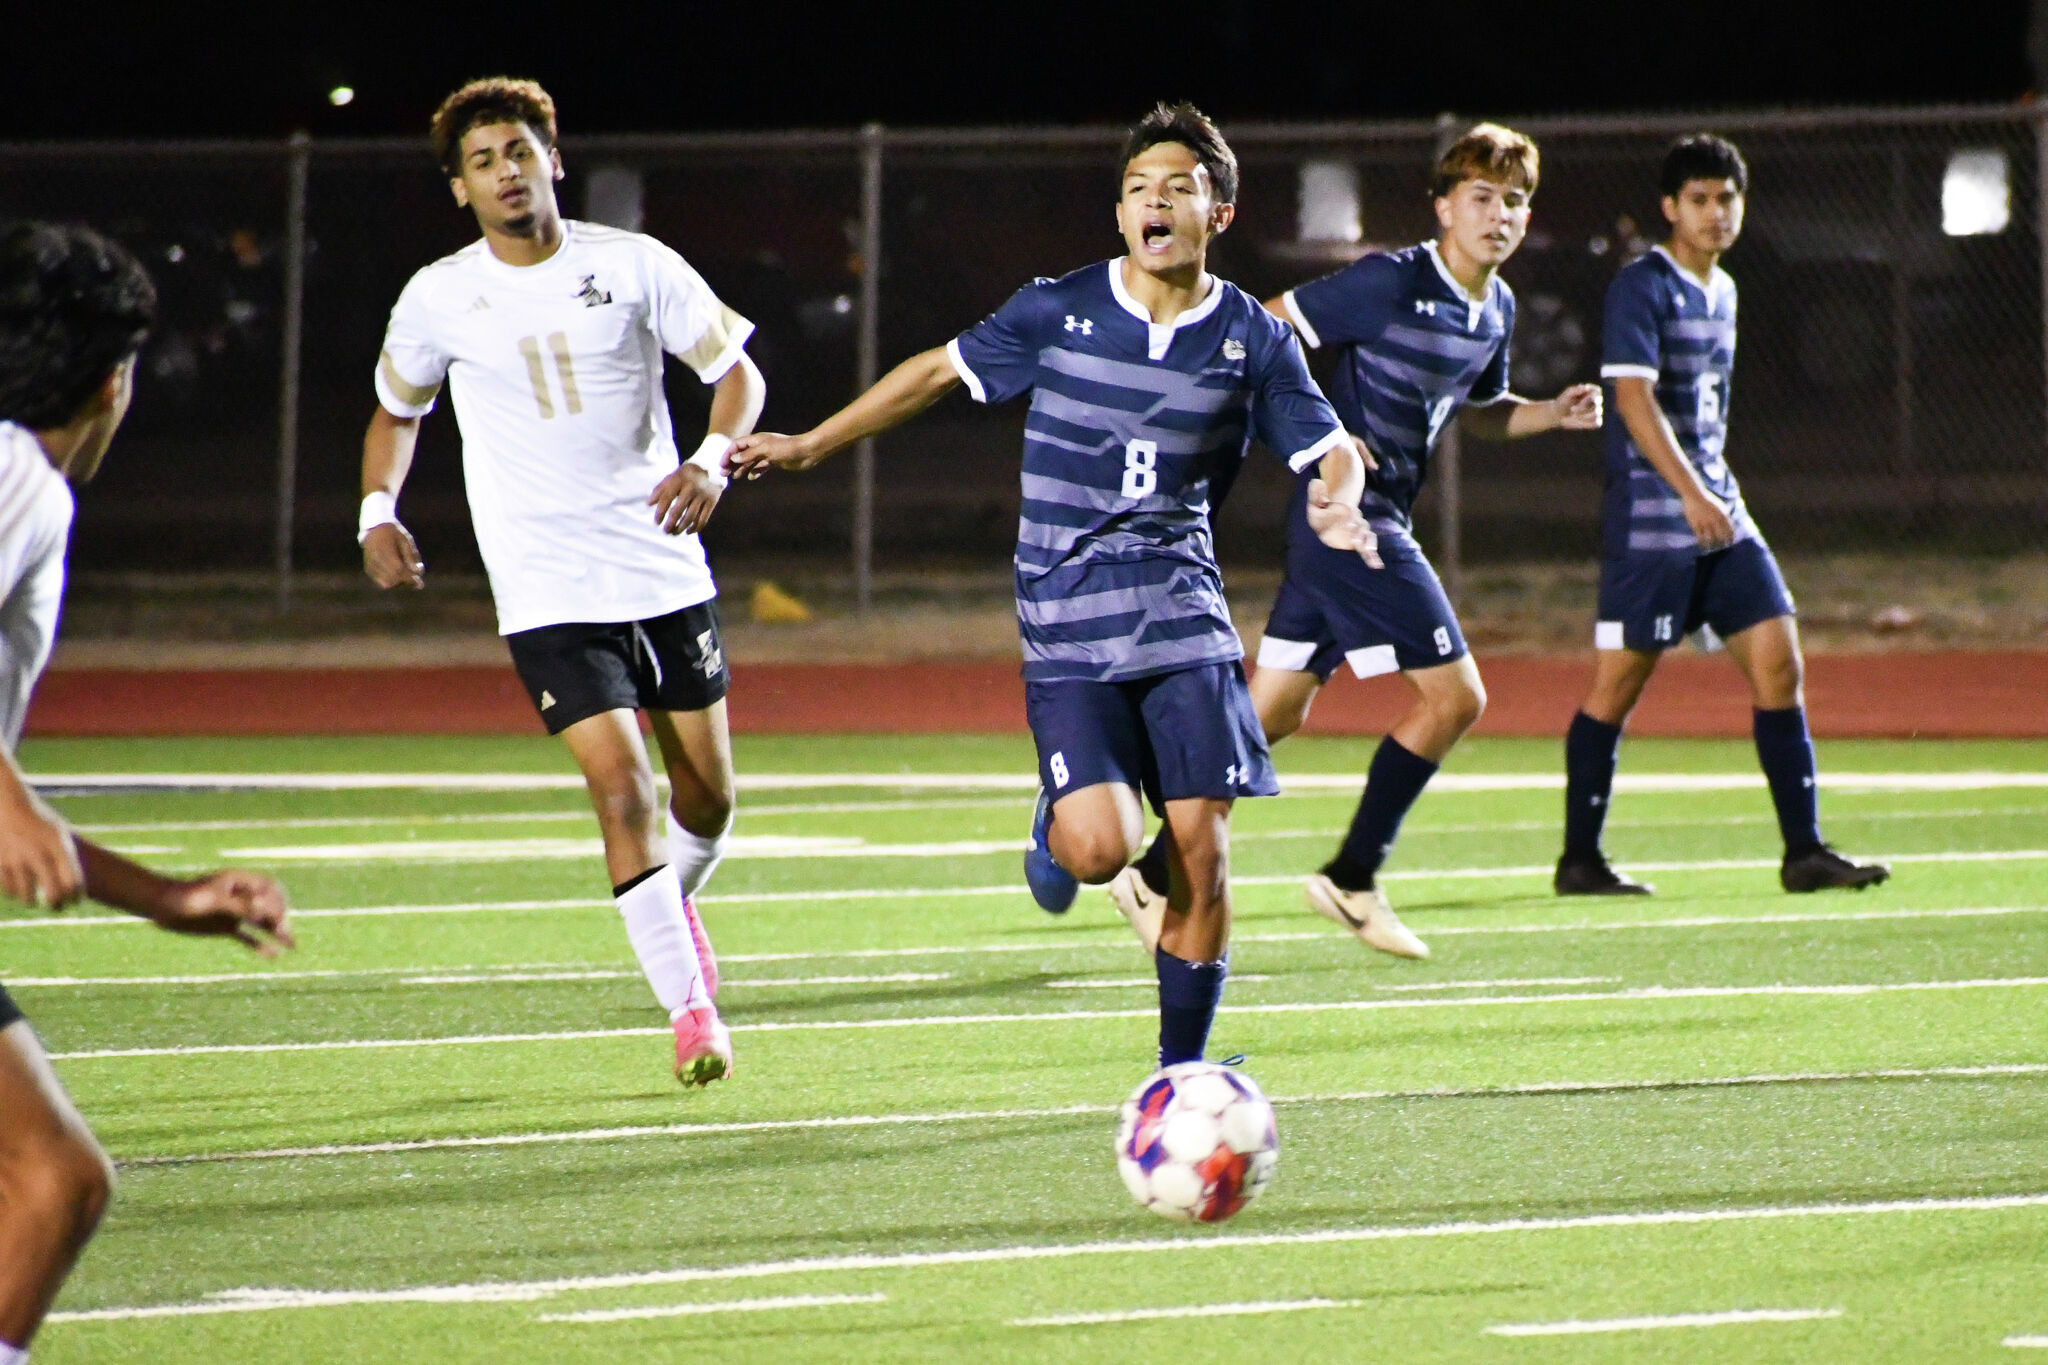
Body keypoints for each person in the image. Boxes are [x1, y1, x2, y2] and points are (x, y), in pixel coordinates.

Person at [730, 103, 1376, 1069]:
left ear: (1221, 212)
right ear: (1120, 213)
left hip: (1183, 617)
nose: (1154, 201)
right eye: (1136, 189)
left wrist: (1339, 500)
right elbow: (937, 374)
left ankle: (1181, 1073)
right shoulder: (1056, 310)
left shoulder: (1254, 340)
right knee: (1097, 851)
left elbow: (1333, 450)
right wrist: (813, 442)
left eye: (1179, 186)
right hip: (1068, 622)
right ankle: (1061, 806)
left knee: (1202, 850)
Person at [1107, 124, 1600, 961]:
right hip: (1349, 522)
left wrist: (1550, 412)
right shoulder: (1392, 281)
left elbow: (1475, 413)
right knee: (1457, 699)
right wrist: (1323, 432)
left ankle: (1151, 873)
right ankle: (1353, 875)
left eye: (1515, 201)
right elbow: (1263, 327)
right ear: (1444, 205)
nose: (1499, 214)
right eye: (1481, 197)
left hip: (1373, 524)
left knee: (1273, 713)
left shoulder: (1497, 308)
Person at [361, 78, 765, 1084]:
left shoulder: (631, 265)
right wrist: (378, 510)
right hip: (544, 588)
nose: (506, 172)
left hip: (661, 564)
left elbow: (736, 374)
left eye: (519, 151)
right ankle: (689, 1008)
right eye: (483, 161)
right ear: (459, 188)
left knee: (707, 800)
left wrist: (710, 463)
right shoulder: (438, 295)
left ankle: (674, 911)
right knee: (621, 787)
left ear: (555, 159)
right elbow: (396, 411)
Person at [0, 220, 295, 1363]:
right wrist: (14, 806)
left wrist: (166, 898)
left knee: (51, 1179)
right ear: (114, 378)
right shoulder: (22, 478)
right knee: (52, 1178)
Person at [1553, 134, 1887, 896]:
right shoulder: (1643, 285)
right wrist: (1690, 494)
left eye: (1727, 198)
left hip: (1718, 512)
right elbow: (1632, 401)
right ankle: (1580, 859)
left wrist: (1713, 494)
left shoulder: (1726, 289)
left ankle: (1804, 851)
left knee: (1780, 660)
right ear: (1670, 208)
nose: (1715, 213)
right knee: (1617, 685)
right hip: (1653, 524)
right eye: (1699, 200)